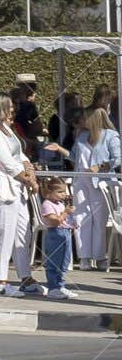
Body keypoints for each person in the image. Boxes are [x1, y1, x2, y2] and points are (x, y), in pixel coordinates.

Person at [0, 91, 44, 298]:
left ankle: (25, 276)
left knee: (23, 231)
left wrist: (29, 170)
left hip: (18, 187)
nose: (13, 110)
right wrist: (29, 178)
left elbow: (20, 154)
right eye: (8, 107)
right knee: (4, 233)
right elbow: (7, 163)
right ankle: (0, 281)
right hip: (3, 188)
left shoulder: (6, 129)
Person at [71, 106, 121, 271]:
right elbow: (73, 157)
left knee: (99, 220)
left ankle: (99, 257)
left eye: (86, 117)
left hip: (101, 182)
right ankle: (84, 257)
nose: (83, 120)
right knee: (81, 219)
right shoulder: (81, 136)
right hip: (81, 181)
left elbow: (118, 159)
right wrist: (59, 149)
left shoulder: (110, 135)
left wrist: (99, 167)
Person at [39, 176, 78, 300]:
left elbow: (65, 220)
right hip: (55, 233)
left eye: (64, 191)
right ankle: (53, 288)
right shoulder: (47, 204)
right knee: (54, 262)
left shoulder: (60, 204)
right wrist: (66, 213)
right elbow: (55, 221)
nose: (63, 194)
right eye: (60, 192)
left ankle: (60, 285)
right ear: (49, 192)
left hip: (65, 233)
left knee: (64, 262)